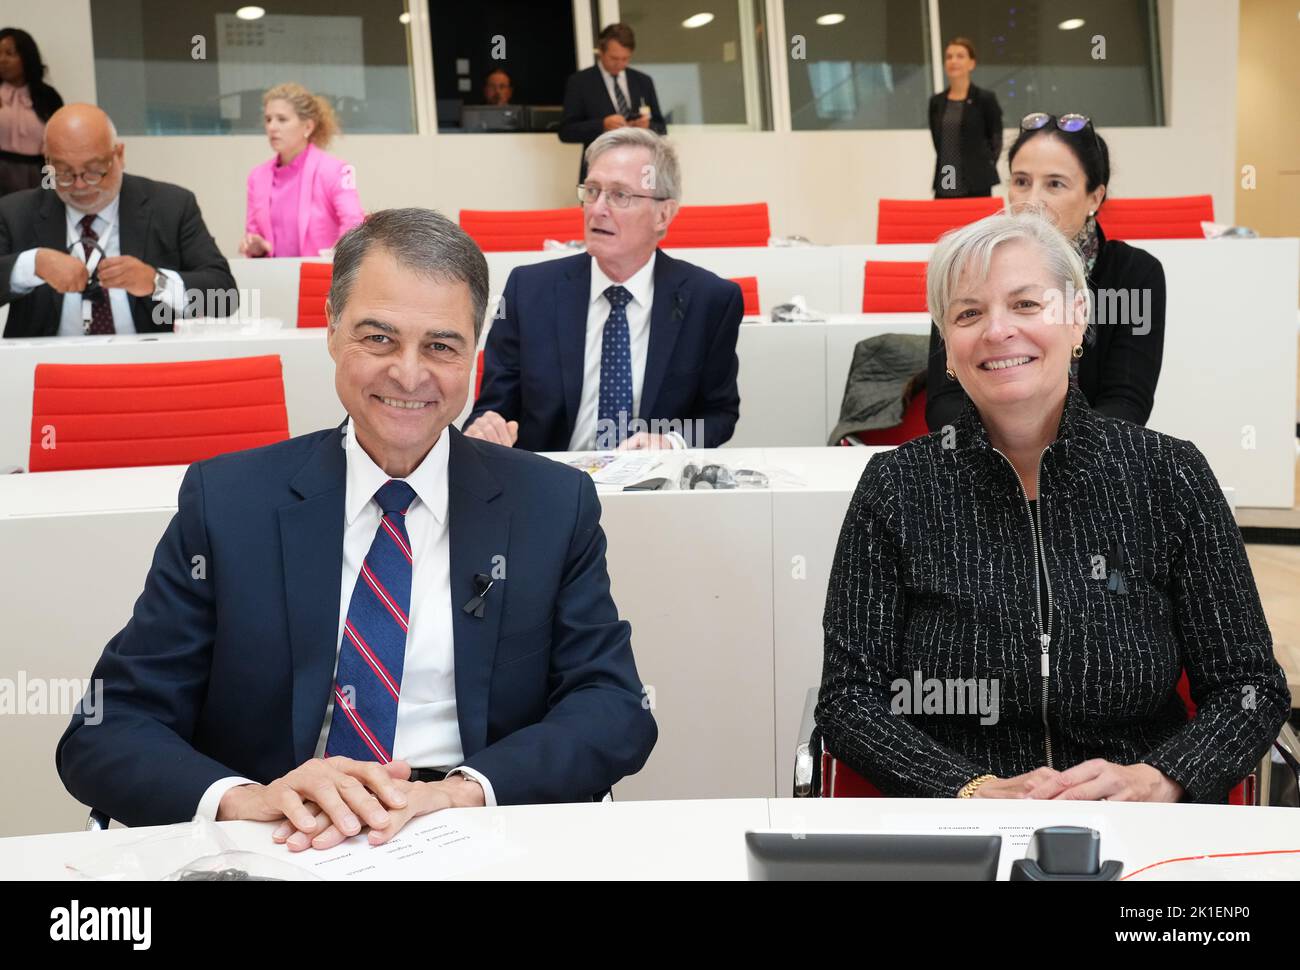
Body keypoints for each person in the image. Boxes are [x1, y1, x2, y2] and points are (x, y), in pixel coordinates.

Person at [57, 208, 657, 846]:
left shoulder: (552, 504)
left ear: (475, 353)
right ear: (332, 331)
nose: (408, 373)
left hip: (472, 832)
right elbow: (107, 728)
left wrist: (464, 792)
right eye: (378, 338)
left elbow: (614, 708)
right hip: (284, 837)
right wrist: (243, 801)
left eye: (441, 345)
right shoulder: (229, 502)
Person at [817, 211, 1290, 804]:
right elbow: (848, 700)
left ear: (1077, 320)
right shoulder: (896, 486)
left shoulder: (1169, 475)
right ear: (946, 346)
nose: (997, 331)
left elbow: (1250, 687)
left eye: (1025, 304)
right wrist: (967, 788)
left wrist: (1161, 778)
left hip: (1142, 825)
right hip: (960, 830)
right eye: (968, 313)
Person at [465, 128, 741, 452]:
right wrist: (486, 427)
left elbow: (720, 413)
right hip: (550, 485)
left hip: (652, 484)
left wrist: (670, 443)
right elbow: (494, 408)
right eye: (592, 191)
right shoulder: (528, 291)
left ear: (663, 214)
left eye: (620, 195)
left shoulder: (710, 300)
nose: (597, 209)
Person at [926, 113, 1166, 430]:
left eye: (1055, 184)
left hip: (1096, 462)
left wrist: (1058, 458)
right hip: (984, 461)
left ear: (1095, 196)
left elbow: (1126, 402)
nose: (1033, 200)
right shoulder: (967, 266)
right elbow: (945, 401)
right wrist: (1006, 456)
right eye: (1022, 182)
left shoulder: (1132, 274)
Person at [0, 103, 236, 338]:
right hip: (47, 367)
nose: (80, 184)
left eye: (93, 170)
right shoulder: (17, 212)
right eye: (63, 172)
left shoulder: (171, 206)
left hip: (146, 363)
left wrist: (155, 282)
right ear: (47, 162)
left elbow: (224, 299)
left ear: (119, 155)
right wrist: (31, 265)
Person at [241, 83, 364, 259]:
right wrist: (255, 246)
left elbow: (354, 224)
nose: (272, 127)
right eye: (268, 119)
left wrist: (335, 259)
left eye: (282, 119)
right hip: (272, 278)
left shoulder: (335, 170)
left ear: (308, 127)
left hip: (323, 278)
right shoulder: (257, 177)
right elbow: (253, 234)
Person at [559, 23, 666, 183]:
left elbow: (662, 128)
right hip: (599, 170)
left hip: (640, 171)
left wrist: (646, 127)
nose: (620, 64)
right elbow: (566, 132)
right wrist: (602, 125)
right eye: (614, 58)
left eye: (625, 59)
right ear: (600, 52)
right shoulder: (580, 82)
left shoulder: (643, 82)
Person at [928, 37, 1002, 199]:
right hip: (948, 176)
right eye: (949, 57)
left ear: (972, 63)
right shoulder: (937, 102)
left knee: (977, 224)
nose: (953, 61)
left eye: (960, 56)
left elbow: (995, 139)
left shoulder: (985, 99)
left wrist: (982, 166)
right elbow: (938, 142)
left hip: (977, 180)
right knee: (948, 222)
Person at [0, 27, 63, 195]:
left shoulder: (48, 96)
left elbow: (59, 137)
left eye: (9, 53)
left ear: (26, 56)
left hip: (38, 173)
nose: (2, 60)